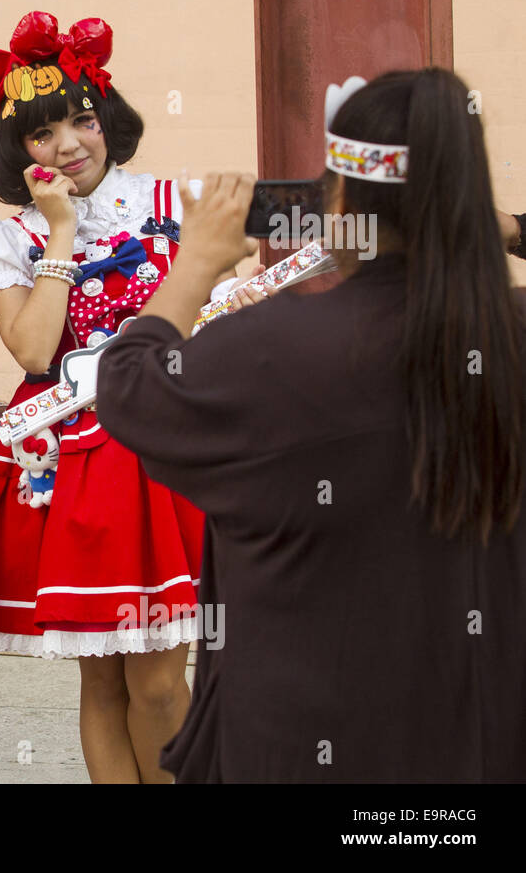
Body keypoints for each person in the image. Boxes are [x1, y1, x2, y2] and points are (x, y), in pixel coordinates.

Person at [95, 68, 526, 781]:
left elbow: (129, 384)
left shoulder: (269, 349)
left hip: (307, 744)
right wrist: (487, 224)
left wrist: (196, 261)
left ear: (341, 197)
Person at [0, 11, 254, 784]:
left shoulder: (171, 198)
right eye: (43, 133)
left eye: (82, 120)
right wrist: (60, 233)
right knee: (101, 674)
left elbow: (238, 285)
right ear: (19, 150)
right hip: (71, 468)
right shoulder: (8, 237)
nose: (70, 145)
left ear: (106, 118)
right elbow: (29, 348)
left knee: (159, 678)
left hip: (164, 457)